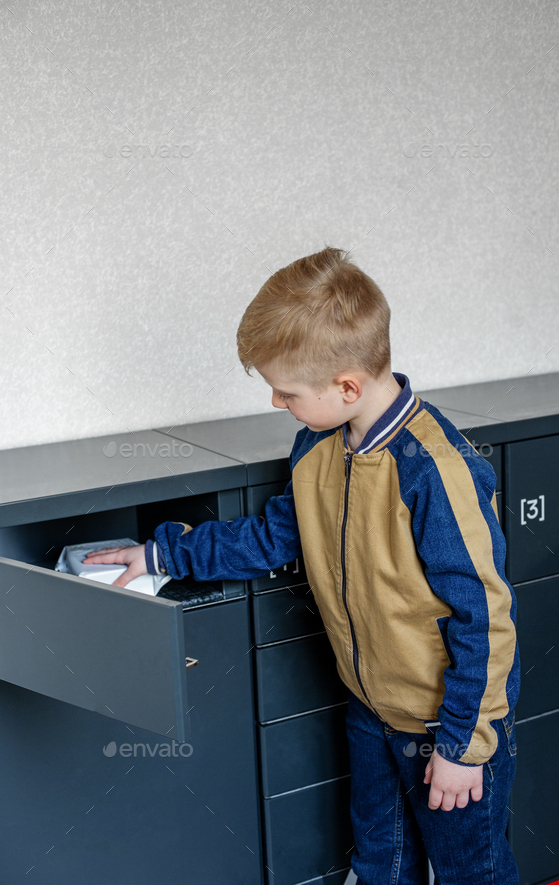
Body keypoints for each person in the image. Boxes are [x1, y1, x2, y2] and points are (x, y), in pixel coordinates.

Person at [84, 247, 520, 884]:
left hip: (447, 727)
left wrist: (463, 747)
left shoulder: (436, 473)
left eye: (286, 391)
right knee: (380, 864)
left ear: (346, 386)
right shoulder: (319, 442)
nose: (274, 401)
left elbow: (483, 616)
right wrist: (162, 552)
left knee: (470, 874)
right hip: (373, 712)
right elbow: (272, 536)